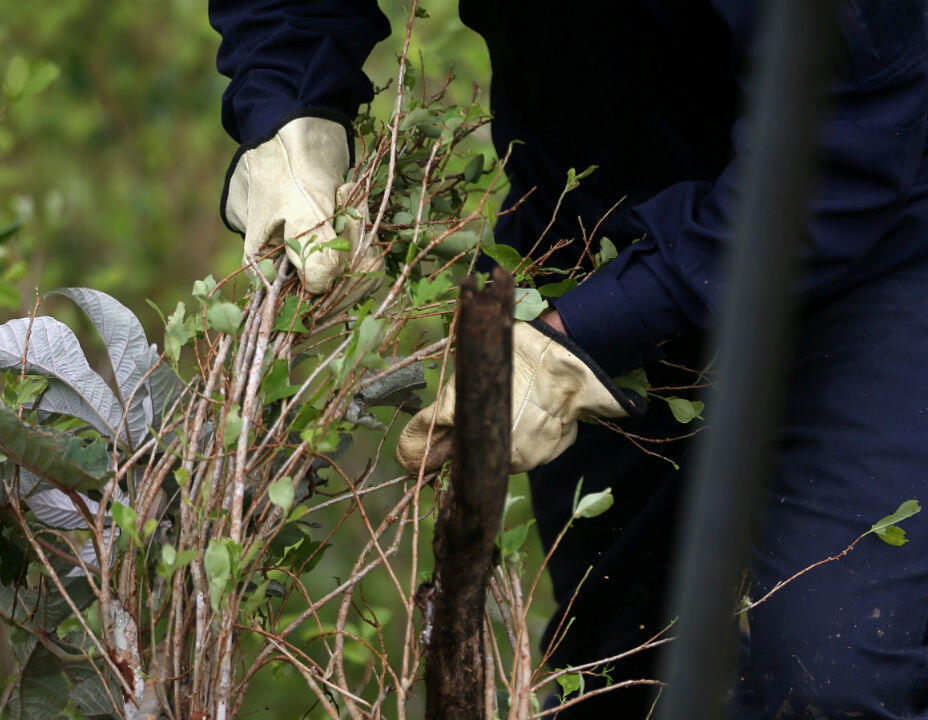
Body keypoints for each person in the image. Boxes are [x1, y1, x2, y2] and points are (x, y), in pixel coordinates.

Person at [209, 2, 928, 718]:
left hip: (869, 224)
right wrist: (290, 110)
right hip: (596, 221)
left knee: (837, 679)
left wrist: (584, 335)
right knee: (617, 672)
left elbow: (851, 139)